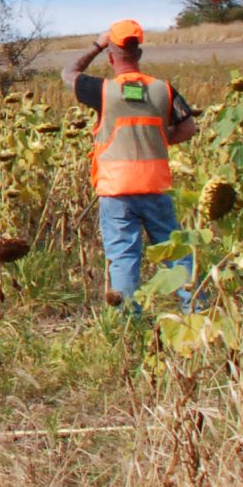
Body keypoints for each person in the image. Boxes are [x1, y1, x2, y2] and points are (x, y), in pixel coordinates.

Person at [64, 19, 201, 313]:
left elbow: (68, 73)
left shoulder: (102, 91)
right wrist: (158, 140)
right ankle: (197, 313)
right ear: (139, 54)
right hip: (155, 186)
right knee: (177, 253)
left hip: (116, 190)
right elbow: (189, 128)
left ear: (112, 56)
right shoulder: (164, 90)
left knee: (124, 257)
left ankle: (127, 324)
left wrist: (97, 45)